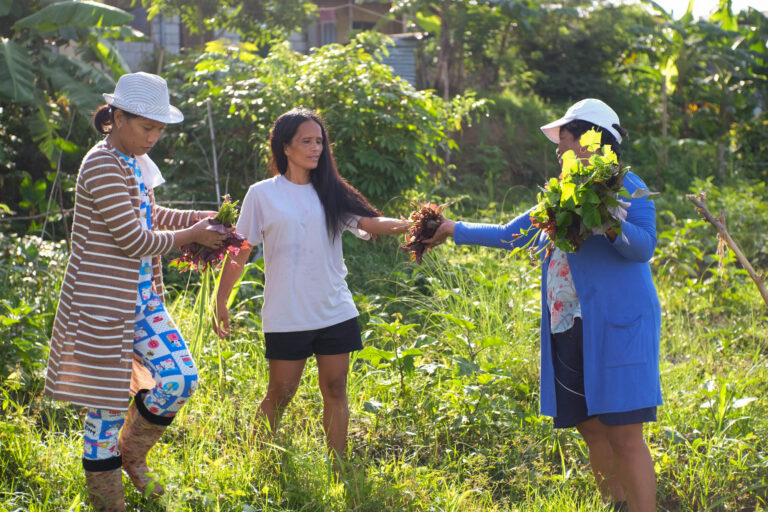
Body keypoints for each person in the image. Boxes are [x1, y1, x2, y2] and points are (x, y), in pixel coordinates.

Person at [423, 99, 661, 512]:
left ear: (592, 138)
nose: (557, 147)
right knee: (591, 427)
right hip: (568, 324)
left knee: (623, 431)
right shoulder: (563, 194)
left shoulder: (626, 186)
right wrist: (451, 230)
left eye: (564, 138)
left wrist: (609, 222)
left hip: (615, 326)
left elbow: (643, 248)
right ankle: (615, 505)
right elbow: (511, 233)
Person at [44, 72, 228, 511]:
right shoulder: (101, 163)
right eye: (147, 127)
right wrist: (194, 236)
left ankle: (132, 454)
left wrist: (198, 219)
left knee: (180, 377)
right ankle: (108, 501)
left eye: (160, 129)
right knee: (105, 407)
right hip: (102, 305)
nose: (154, 137)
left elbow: (151, 213)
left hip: (143, 301)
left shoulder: (133, 162)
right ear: (118, 118)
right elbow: (134, 239)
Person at [213, 108, 410, 459]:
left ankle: (339, 465)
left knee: (335, 388)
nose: (315, 148)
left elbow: (371, 222)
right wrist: (221, 300)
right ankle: (258, 459)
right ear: (285, 147)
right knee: (282, 391)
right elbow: (240, 250)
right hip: (287, 313)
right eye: (306, 141)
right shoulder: (262, 194)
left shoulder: (330, 191)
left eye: (319, 141)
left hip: (334, 308)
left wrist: (415, 225)